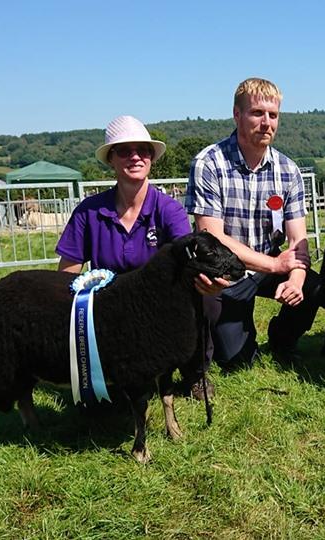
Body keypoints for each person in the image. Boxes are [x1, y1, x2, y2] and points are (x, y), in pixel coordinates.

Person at [56, 115, 228, 399]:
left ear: (151, 158)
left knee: (207, 299)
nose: (135, 157)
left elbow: (187, 266)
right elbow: (67, 275)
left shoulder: (169, 210)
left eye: (143, 150)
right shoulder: (88, 211)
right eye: (124, 151)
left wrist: (211, 283)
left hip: (157, 303)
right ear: (111, 159)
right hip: (108, 306)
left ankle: (195, 373)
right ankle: (97, 373)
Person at [185, 77, 320, 371]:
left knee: (314, 287)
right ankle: (234, 340)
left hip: (268, 262)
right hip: (224, 271)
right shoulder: (209, 163)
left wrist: (296, 279)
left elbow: (298, 240)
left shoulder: (288, 170)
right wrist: (275, 266)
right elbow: (212, 235)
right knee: (236, 361)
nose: (266, 122)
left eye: (273, 115)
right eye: (257, 113)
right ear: (237, 115)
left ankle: (282, 340)